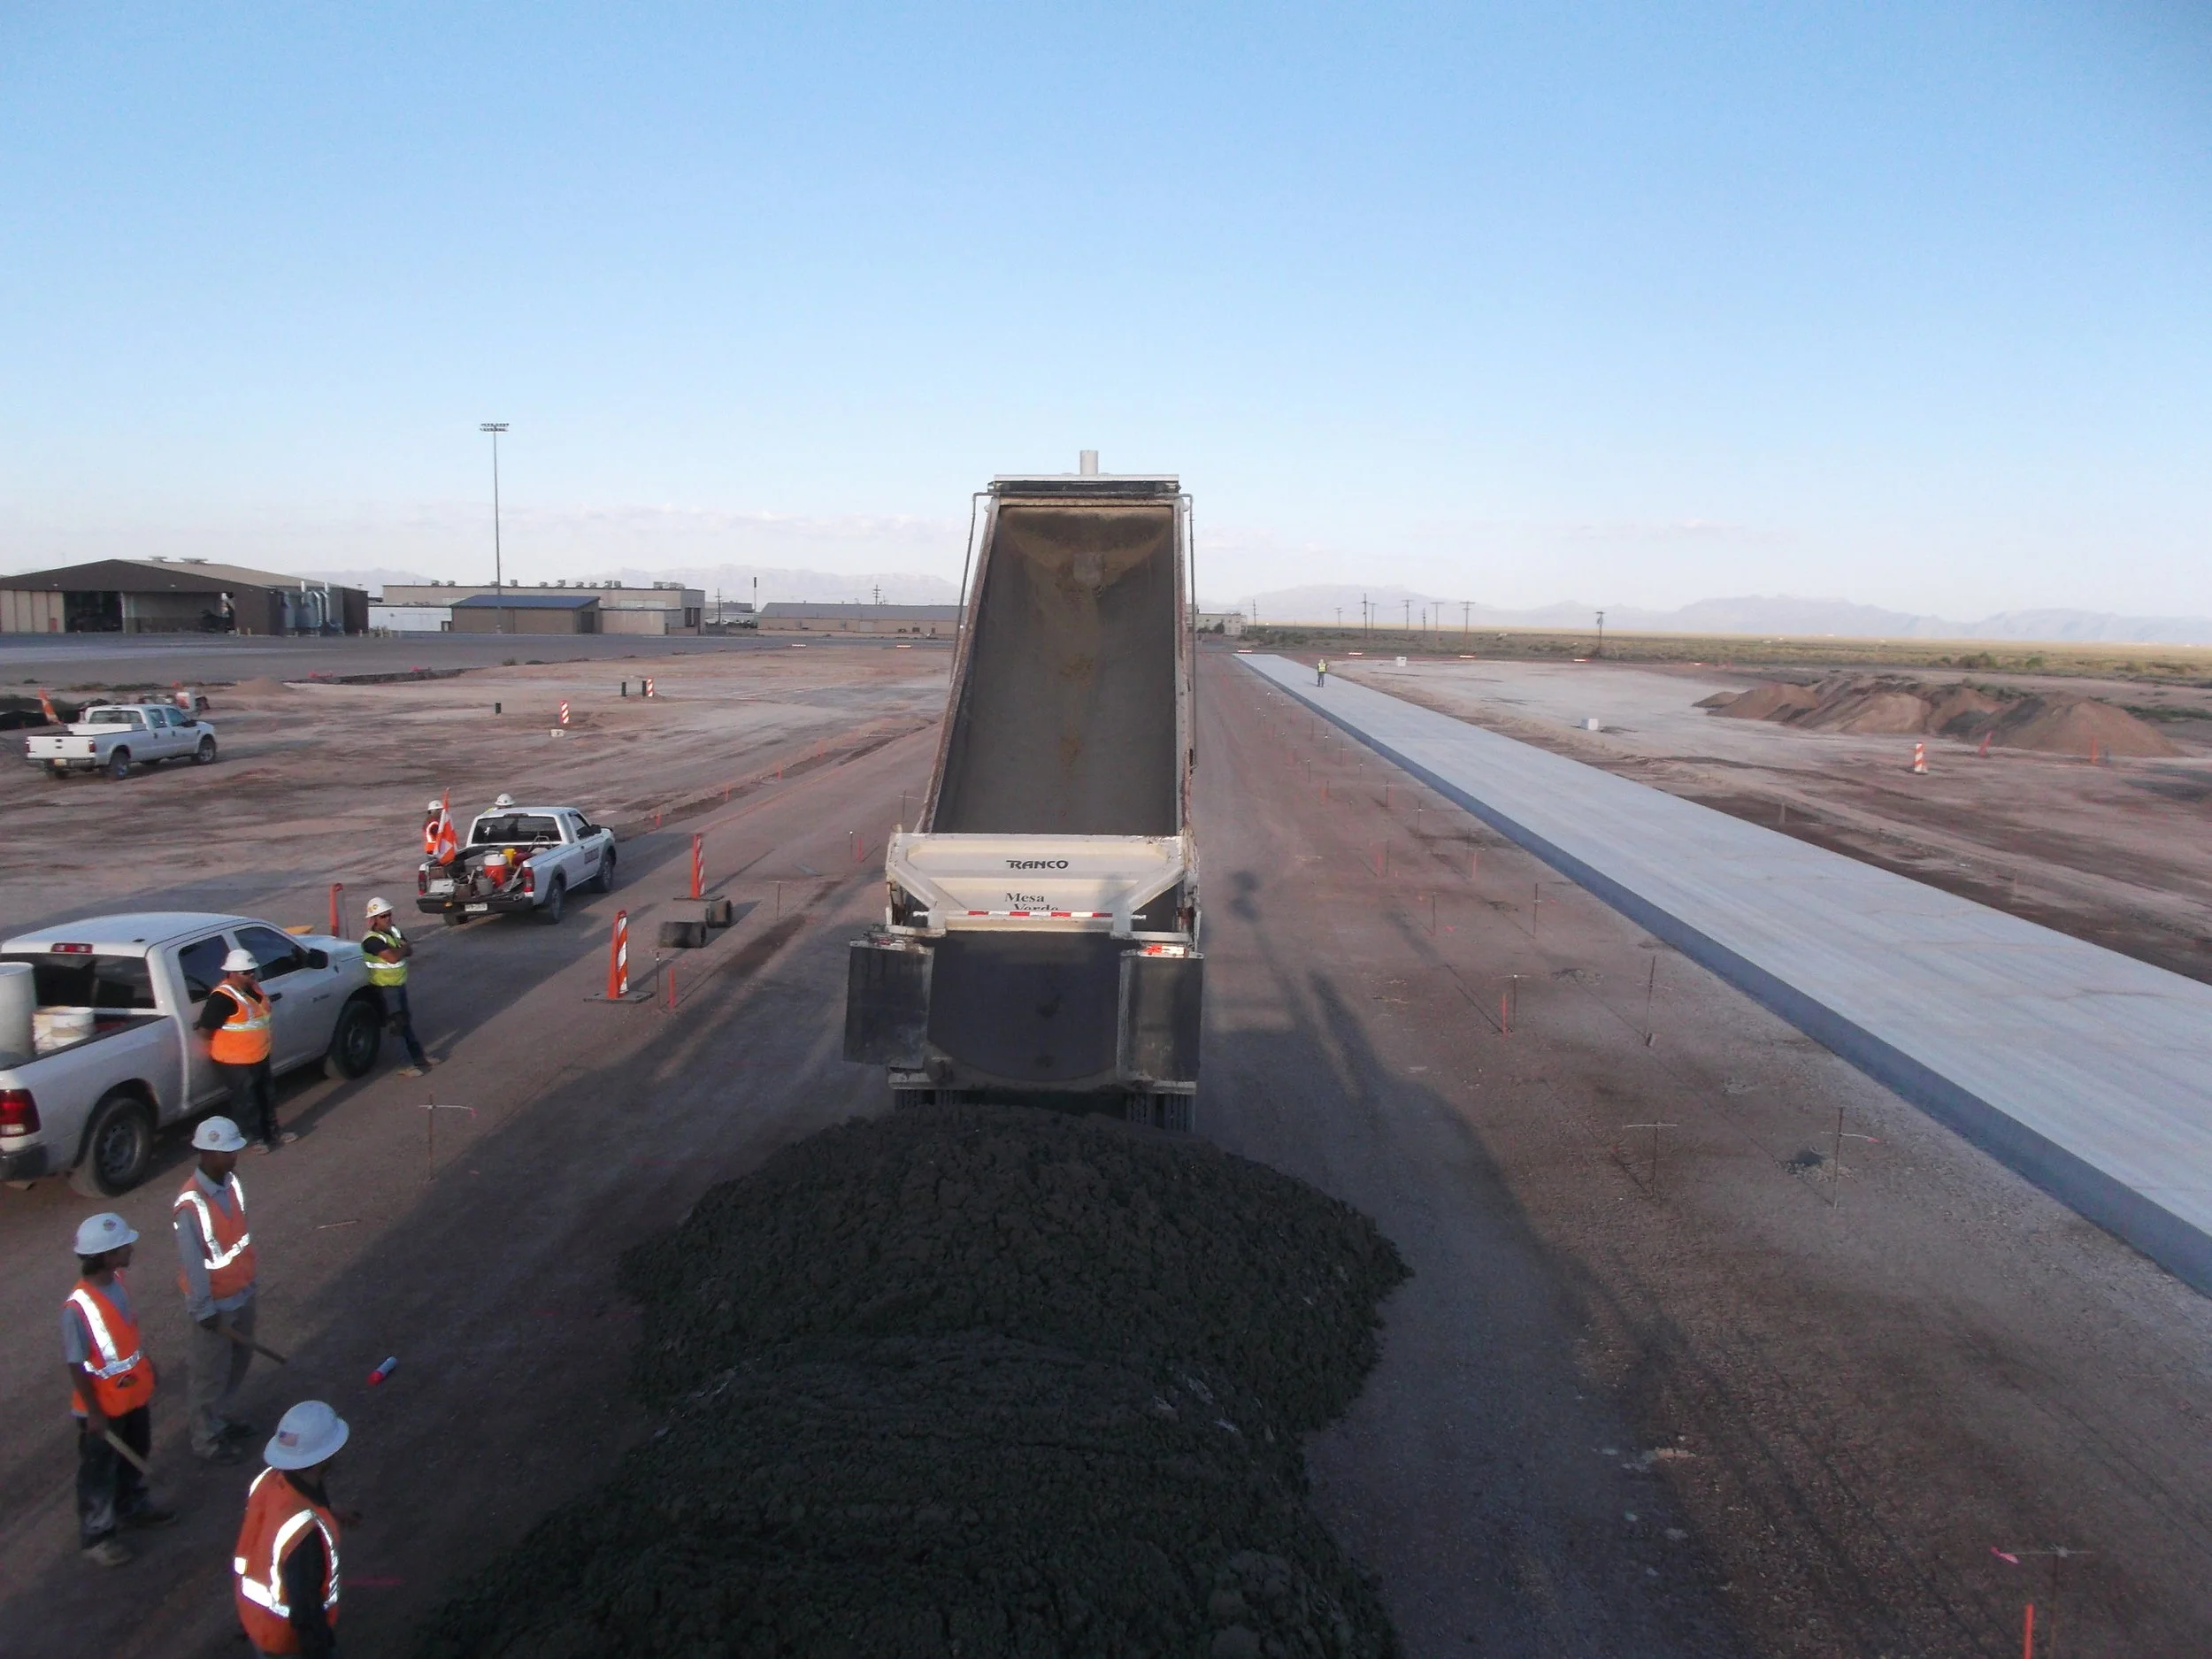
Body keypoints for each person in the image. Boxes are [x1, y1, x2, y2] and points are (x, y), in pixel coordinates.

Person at [64, 1212, 174, 1566]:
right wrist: (94, 1413)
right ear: (107, 1256)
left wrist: (146, 1364)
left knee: (135, 1452)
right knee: (99, 1473)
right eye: (124, 1247)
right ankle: (98, 1536)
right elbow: (76, 1364)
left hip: (131, 1396)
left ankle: (132, 1508)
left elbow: (125, 1336)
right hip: (103, 1408)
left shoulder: (118, 1282)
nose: (130, 1250)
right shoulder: (77, 1308)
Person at [234, 1400, 353, 1658]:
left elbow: (274, 1525)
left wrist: (329, 1510)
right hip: (282, 1637)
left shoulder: (268, 1481)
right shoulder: (305, 1535)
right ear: (322, 1458)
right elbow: (305, 1611)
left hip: (255, 1616)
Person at [174, 1116, 260, 1464]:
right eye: (228, 1152)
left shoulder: (232, 1182)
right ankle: (207, 1439)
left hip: (242, 1291)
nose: (234, 1157)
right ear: (207, 1154)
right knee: (209, 1374)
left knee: (238, 1362)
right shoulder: (190, 1204)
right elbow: (193, 1261)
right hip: (215, 1304)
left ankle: (220, 1419)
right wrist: (203, 1309)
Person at [198, 949, 291, 1151]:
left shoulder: (253, 988)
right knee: (246, 1101)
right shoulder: (222, 998)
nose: (251, 975)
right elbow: (205, 1029)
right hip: (235, 1060)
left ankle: (272, 1132)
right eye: (246, 972)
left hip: (259, 1054)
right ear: (232, 973)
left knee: (266, 1096)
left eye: (252, 970)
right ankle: (254, 1138)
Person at [360, 898, 431, 1077]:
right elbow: (393, 958)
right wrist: (403, 949)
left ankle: (418, 1057)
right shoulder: (371, 940)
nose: (388, 918)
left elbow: (409, 951)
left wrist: (402, 950)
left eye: (389, 914)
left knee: (405, 1021)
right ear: (374, 919)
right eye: (383, 916)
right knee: (397, 1025)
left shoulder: (394, 931)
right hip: (384, 987)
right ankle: (405, 1064)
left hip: (398, 983)